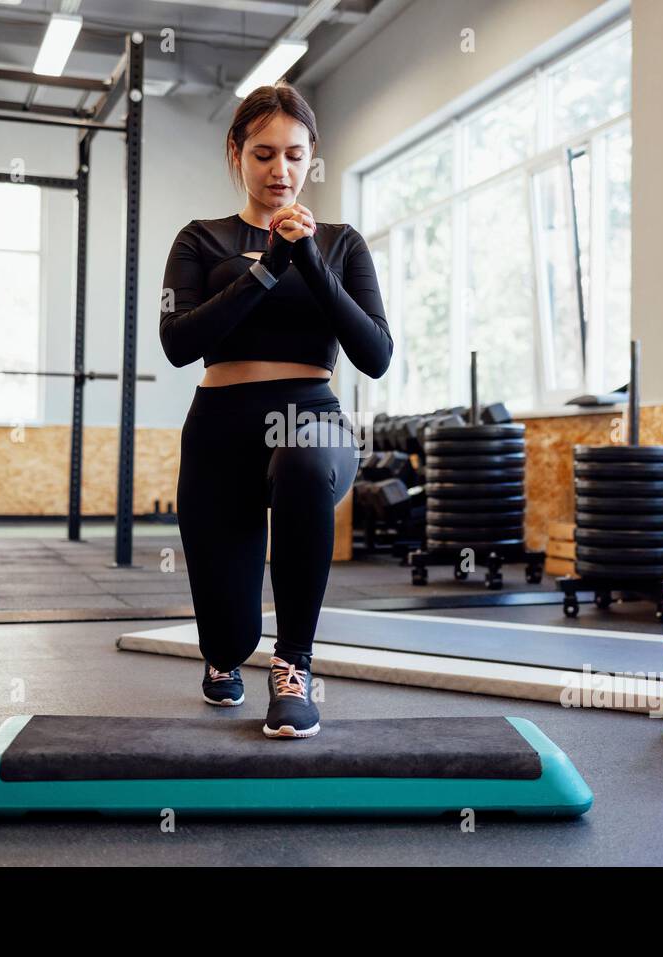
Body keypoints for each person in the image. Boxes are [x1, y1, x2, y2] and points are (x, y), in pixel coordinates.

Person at [159, 82, 393, 738]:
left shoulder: (343, 243)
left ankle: (294, 665)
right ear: (236, 152)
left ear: (311, 155)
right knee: (228, 639)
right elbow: (179, 344)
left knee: (302, 456)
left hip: (308, 413)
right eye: (263, 154)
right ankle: (225, 656)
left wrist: (309, 261)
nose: (279, 171)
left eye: (294, 155)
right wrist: (264, 270)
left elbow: (374, 354)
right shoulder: (201, 240)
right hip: (219, 430)